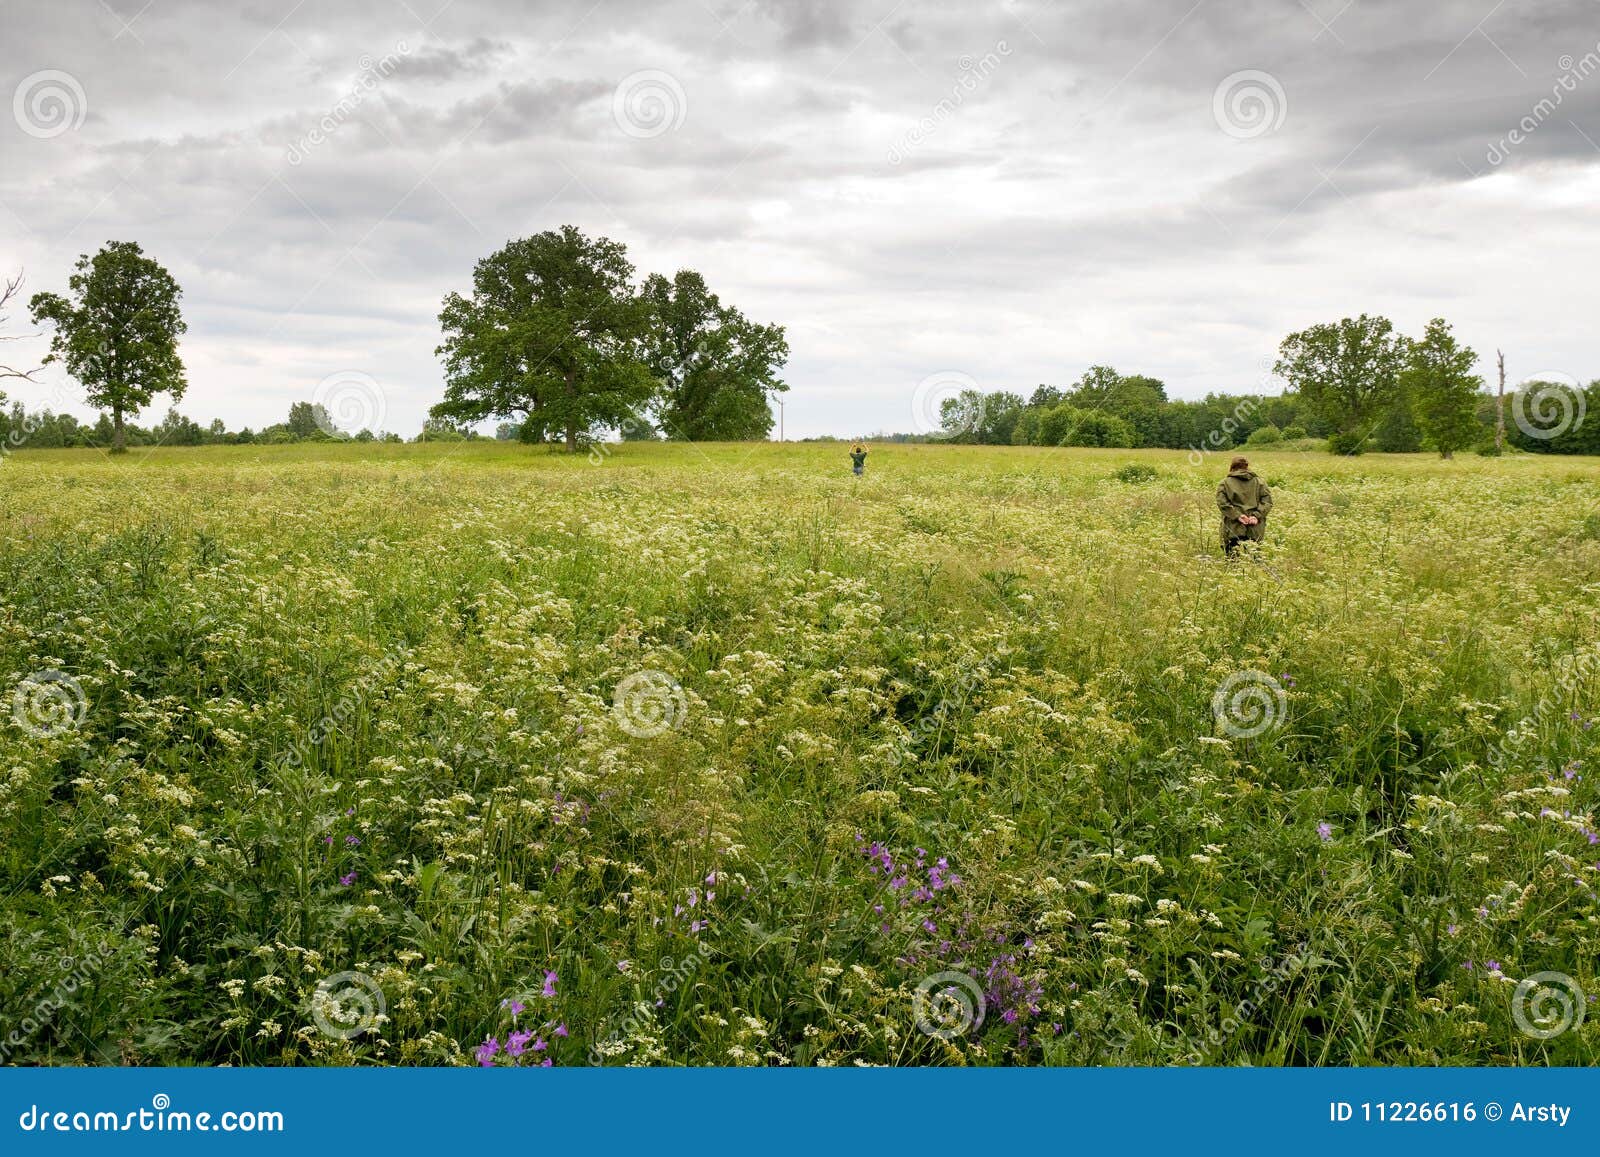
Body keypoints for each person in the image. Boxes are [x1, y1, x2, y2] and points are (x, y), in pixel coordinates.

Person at [1216, 455, 1272, 557]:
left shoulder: (1224, 483)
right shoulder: (1260, 482)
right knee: (1255, 560)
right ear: (1247, 467)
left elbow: (1222, 503)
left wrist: (1238, 516)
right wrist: (1256, 516)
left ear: (1232, 467)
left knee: (1232, 561)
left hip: (1233, 527)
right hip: (1255, 527)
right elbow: (1267, 501)